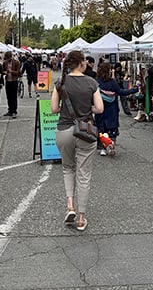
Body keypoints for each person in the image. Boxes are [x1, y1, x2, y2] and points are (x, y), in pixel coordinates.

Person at [51, 50, 104, 232]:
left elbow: (53, 109)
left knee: (68, 168)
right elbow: (100, 108)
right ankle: (81, 217)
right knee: (84, 174)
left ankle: (70, 206)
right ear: (82, 63)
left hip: (64, 129)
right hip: (85, 132)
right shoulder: (91, 82)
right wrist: (87, 109)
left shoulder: (60, 82)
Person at [95, 62, 138, 156]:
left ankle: (102, 148)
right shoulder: (112, 82)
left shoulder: (96, 82)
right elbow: (120, 92)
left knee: (101, 128)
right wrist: (133, 90)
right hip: (112, 109)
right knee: (112, 128)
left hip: (100, 108)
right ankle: (111, 144)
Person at [2, 51, 21, 118]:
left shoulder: (16, 62)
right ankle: (10, 110)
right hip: (8, 81)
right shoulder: (5, 63)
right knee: (8, 97)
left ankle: (14, 111)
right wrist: (5, 72)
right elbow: (3, 70)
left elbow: (18, 72)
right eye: (7, 58)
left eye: (8, 58)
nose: (8, 59)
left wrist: (11, 71)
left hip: (14, 81)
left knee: (14, 97)